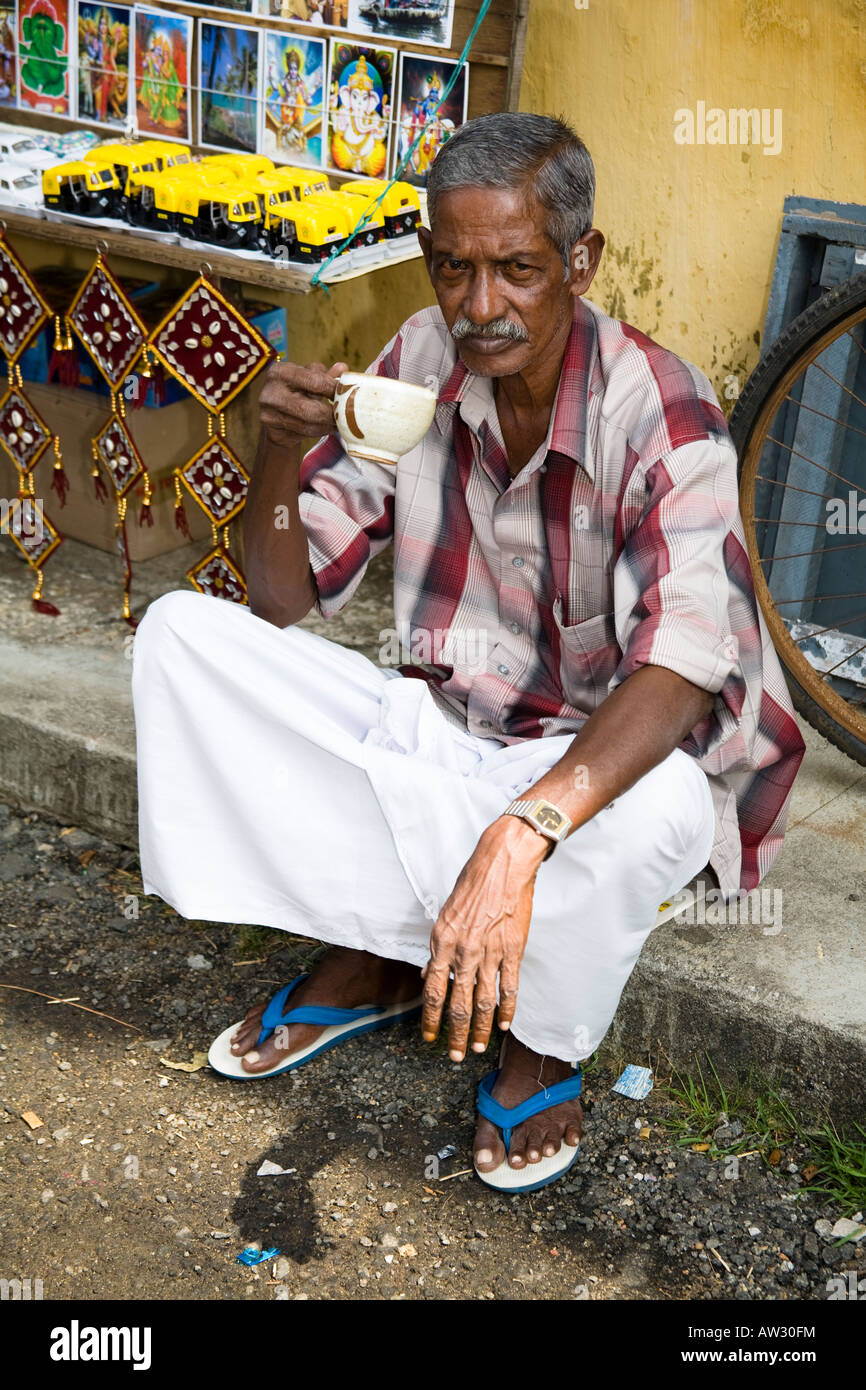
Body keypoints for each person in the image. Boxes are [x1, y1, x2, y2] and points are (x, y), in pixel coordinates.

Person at [132, 114, 805, 1192]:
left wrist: (519, 833)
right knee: (182, 641)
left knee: (667, 810)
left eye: (517, 269)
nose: (480, 306)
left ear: (580, 261)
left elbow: (682, 678)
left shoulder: (663, 411)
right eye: (454, 267)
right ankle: (388, 957)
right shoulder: (418, 359)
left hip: (601, 770)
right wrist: (275, 450)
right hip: (454, 731)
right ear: (430, 259)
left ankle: (538, 1029)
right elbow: (280, 602)